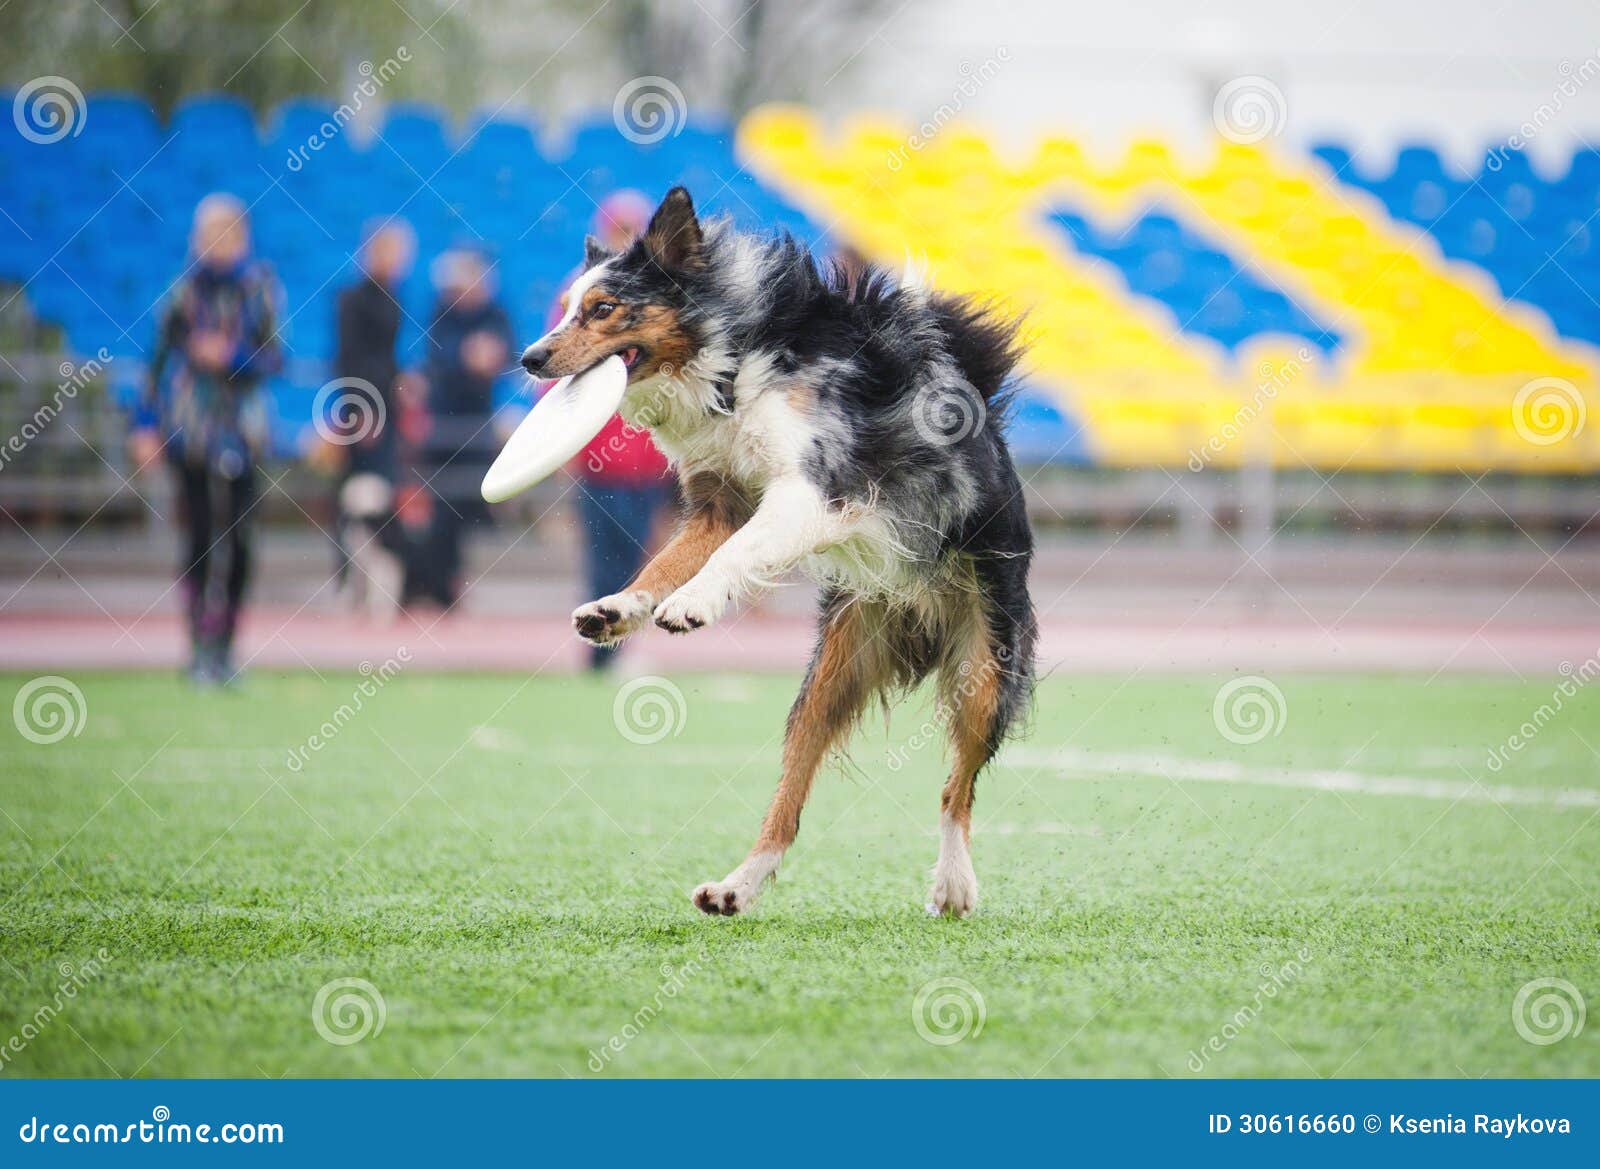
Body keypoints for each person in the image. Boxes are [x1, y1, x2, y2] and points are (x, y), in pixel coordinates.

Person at [130, 193, 282, 686]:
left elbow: (274, 359)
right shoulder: (182, 291)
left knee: (240, 541)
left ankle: (226, 646)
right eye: (208, 234)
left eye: (226, 233)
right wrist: (144, 424)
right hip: (190, 427)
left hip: (243, 426)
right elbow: (154, 362)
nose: (216, 244)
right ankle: (197, 647)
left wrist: (231, 356)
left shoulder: (259, 289)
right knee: (196, 538)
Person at [550, 191, 672, 671]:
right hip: (602, 455)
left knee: (638, 554)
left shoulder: (655, 293)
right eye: (620, 228)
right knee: (604, 559)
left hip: (647, 453)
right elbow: (557, 372)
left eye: (632, 229)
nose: (625, 238)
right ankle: (601, 654)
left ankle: (615, 650)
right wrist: (561, 443)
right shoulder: (578, 291)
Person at [413, 247, 512, 609]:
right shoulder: (442, 313)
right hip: (444, 427)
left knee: (475, 508)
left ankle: (457, 583)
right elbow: (436, 359)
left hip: (478, 427)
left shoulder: (495, 314)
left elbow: (511, 355)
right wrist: (466, 357)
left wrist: (489, 356)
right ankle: (438, 586)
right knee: (442, 514)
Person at [330, 220, 416, 619]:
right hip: (364, 413)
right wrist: (362, 411)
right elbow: (350, 360)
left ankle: (381, 590)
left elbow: (384, 361)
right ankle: (348, 584)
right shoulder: (352, 299)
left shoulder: (393, 297)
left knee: (379, 503)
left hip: (383, 411)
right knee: (356, 506)